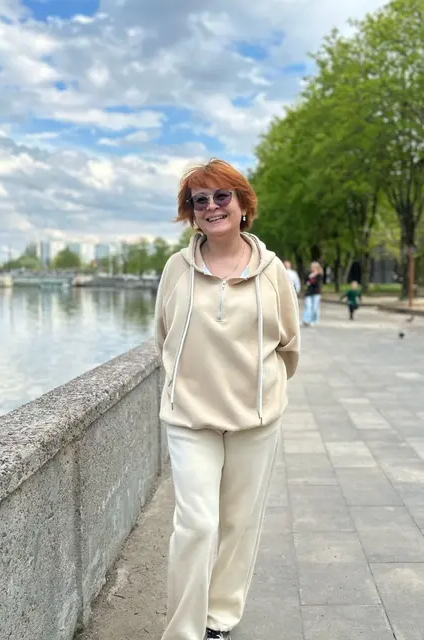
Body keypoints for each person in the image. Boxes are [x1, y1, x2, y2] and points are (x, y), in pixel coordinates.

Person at [155, 158, 300, 640]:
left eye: (222, 196)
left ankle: (218, 619)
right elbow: (163, 336)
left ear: (242, 205)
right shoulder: (176, 269)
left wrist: (262, 391)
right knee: (196, 525)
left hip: (254, 420)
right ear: (191, 213)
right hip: (189, 418)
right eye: (200, 200)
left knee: (239, 524)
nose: (212, 206)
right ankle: (184, 632)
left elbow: (289, 344)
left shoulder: (272, 271)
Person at [302, 261, 323, 327]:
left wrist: (310, 281)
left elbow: (316, 283)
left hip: (316, 293)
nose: (312, 268)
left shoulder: (319, 275)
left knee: (315, 308)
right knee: (308, 306)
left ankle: (313, 320)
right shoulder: (309, 274)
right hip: (309, 293)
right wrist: (310, 280)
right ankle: (306, 320)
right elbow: (306, 282)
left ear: (317, 268)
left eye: (313, 267)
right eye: (311, 267)